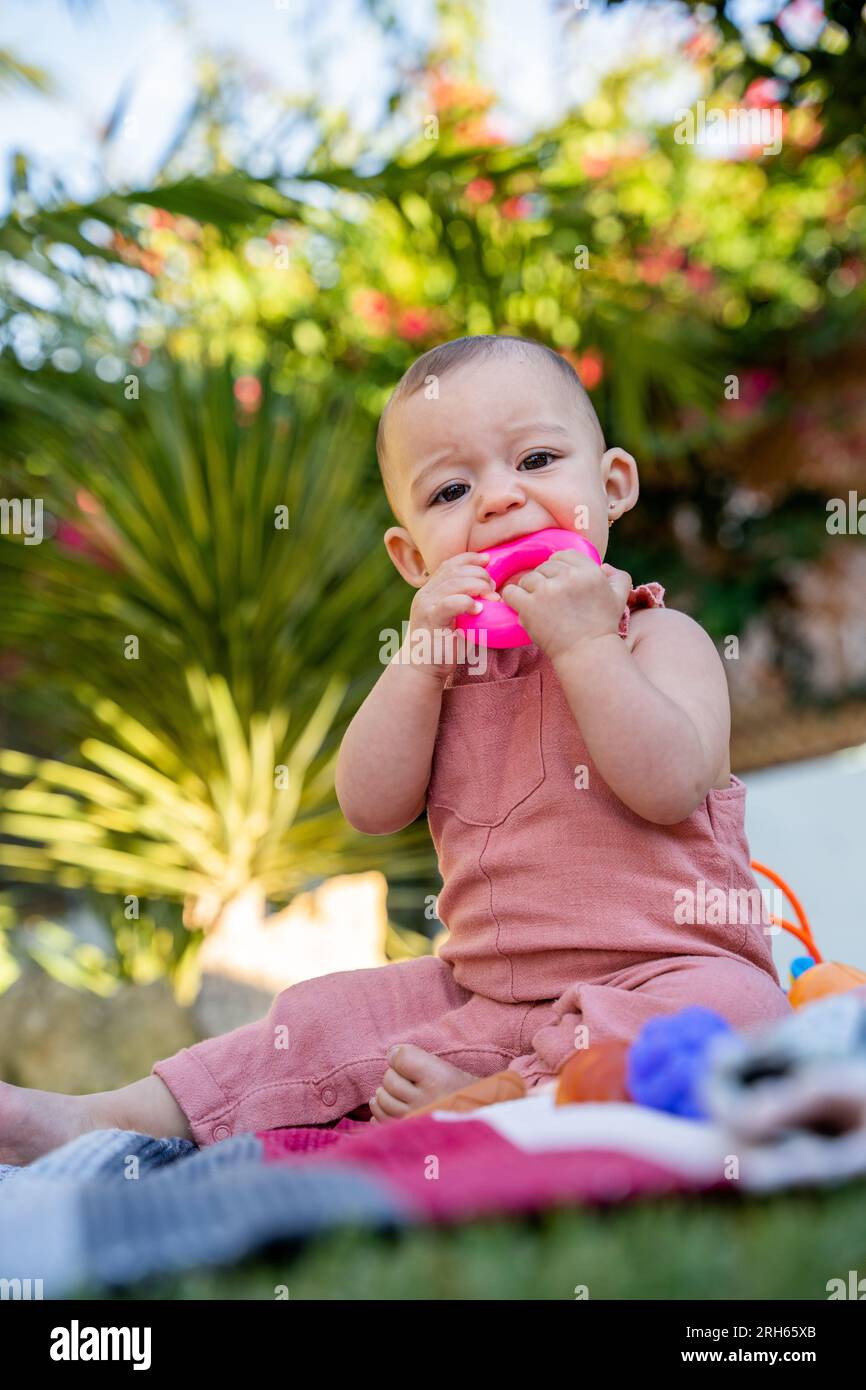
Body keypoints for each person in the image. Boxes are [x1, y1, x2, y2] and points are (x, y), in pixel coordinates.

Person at [0, 334, 792, 1163]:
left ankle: (497, 1104)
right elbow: (369, 806)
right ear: (413, 559)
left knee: (732, 1012)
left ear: (613, 486)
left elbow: (667, 785)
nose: (498, 500)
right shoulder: (444, 672)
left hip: (661, 975)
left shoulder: (657, 637)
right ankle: (103, 1118)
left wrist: (586, 647)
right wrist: (417, 661)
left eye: (537, 458)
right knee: (314, 1018)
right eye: (451, 489)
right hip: (484, 996)